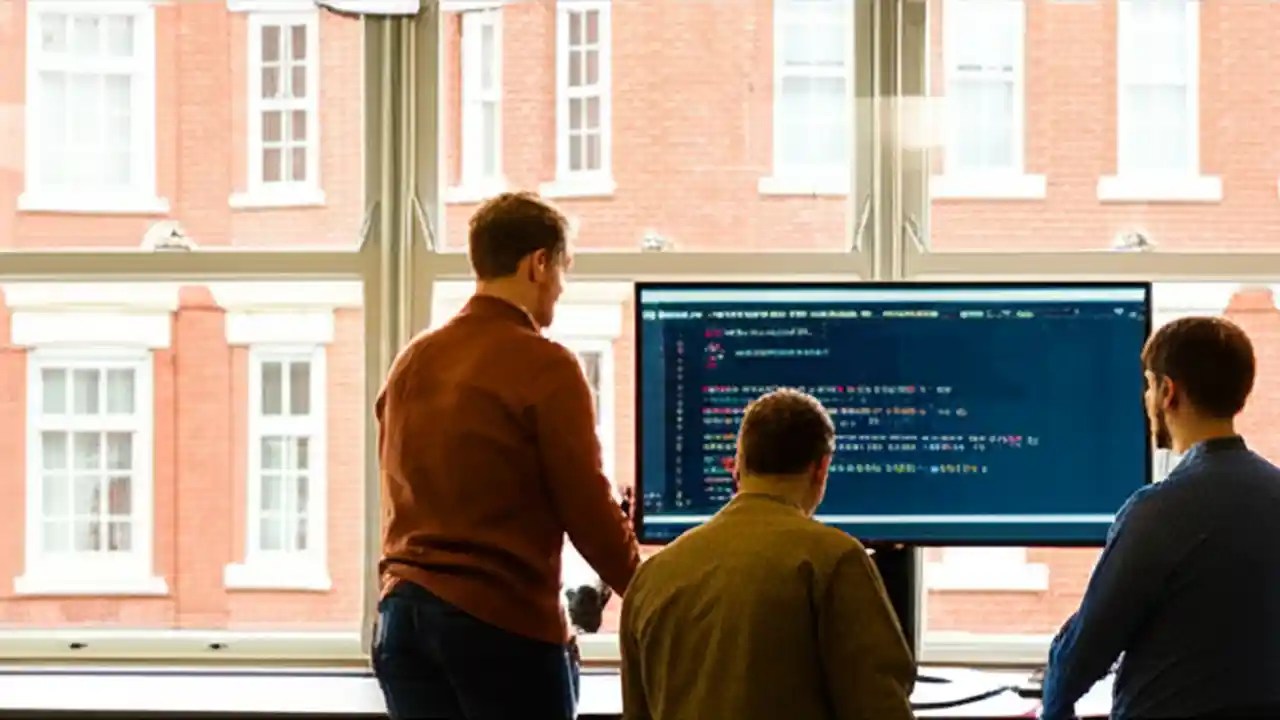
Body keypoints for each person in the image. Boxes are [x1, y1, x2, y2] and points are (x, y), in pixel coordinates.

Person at [372, 192, 641, 720]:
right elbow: (584, 504)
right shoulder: (546, 365)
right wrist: (649, 588)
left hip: (401, 620)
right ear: (538, 264)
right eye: (563, 269)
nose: (561, 288)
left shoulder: (412, 360)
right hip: (497, 624)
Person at [619, 388, 917, 720]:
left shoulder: (653, 576)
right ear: (821, 468)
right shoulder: (835, 560)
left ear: (738, 465)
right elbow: (879, 707)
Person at [1040, 316, 1280, 720]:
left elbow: (1084, 653)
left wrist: (1054, 706)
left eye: (1149, 384)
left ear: (1168, 392)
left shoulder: (1158, 512)